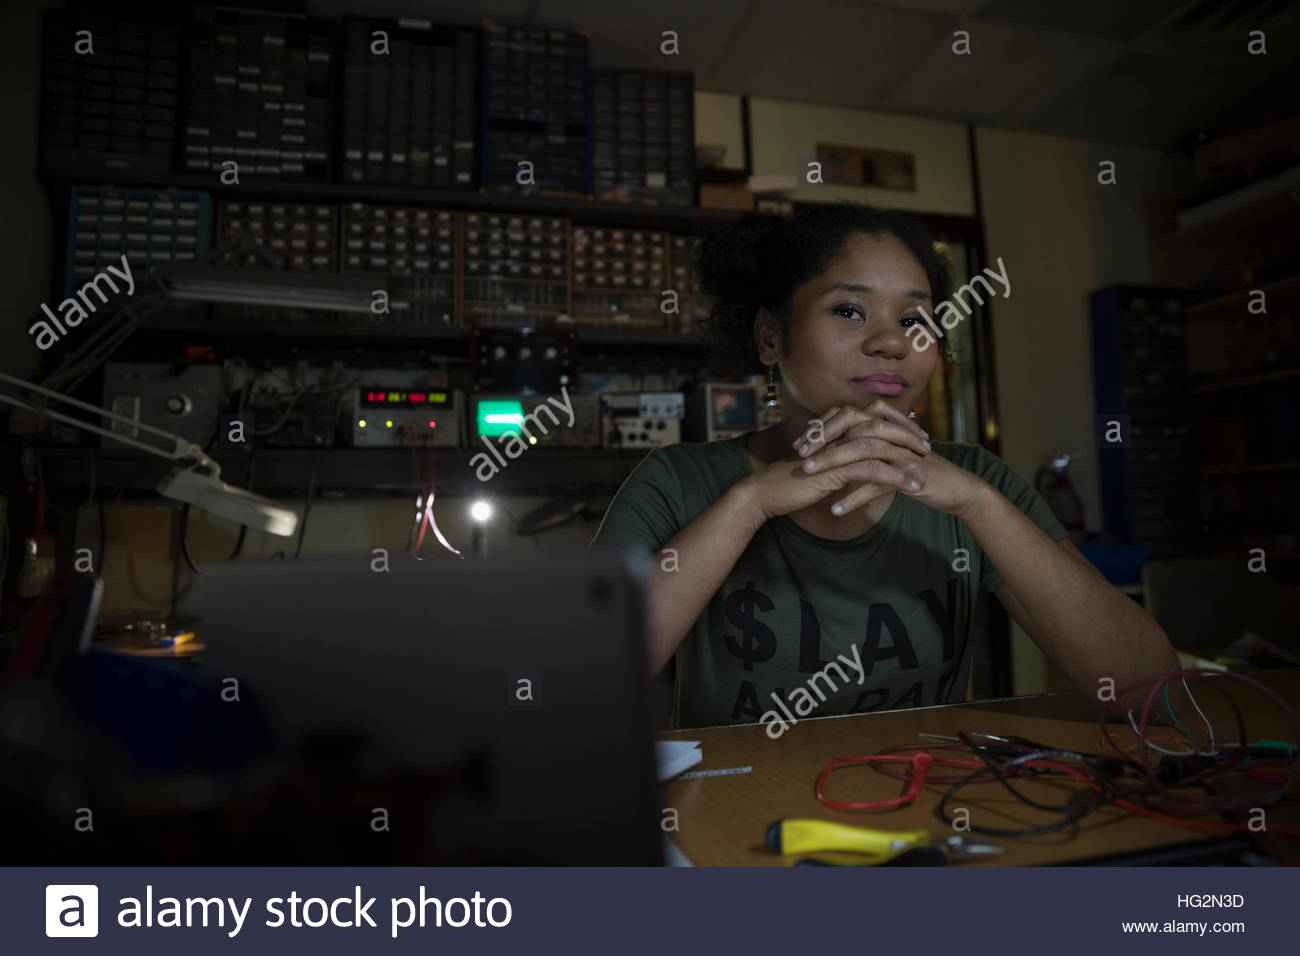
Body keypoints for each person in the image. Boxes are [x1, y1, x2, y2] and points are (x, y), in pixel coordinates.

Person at [590, 202, 1180, 731]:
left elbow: (1150, 695)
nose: (891, 343)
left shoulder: (980, 482)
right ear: (770, 338)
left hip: (930, 815)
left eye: (913, 320)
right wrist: (753, 502)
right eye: (849, 310)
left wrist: (979, 506)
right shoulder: (674, 482)